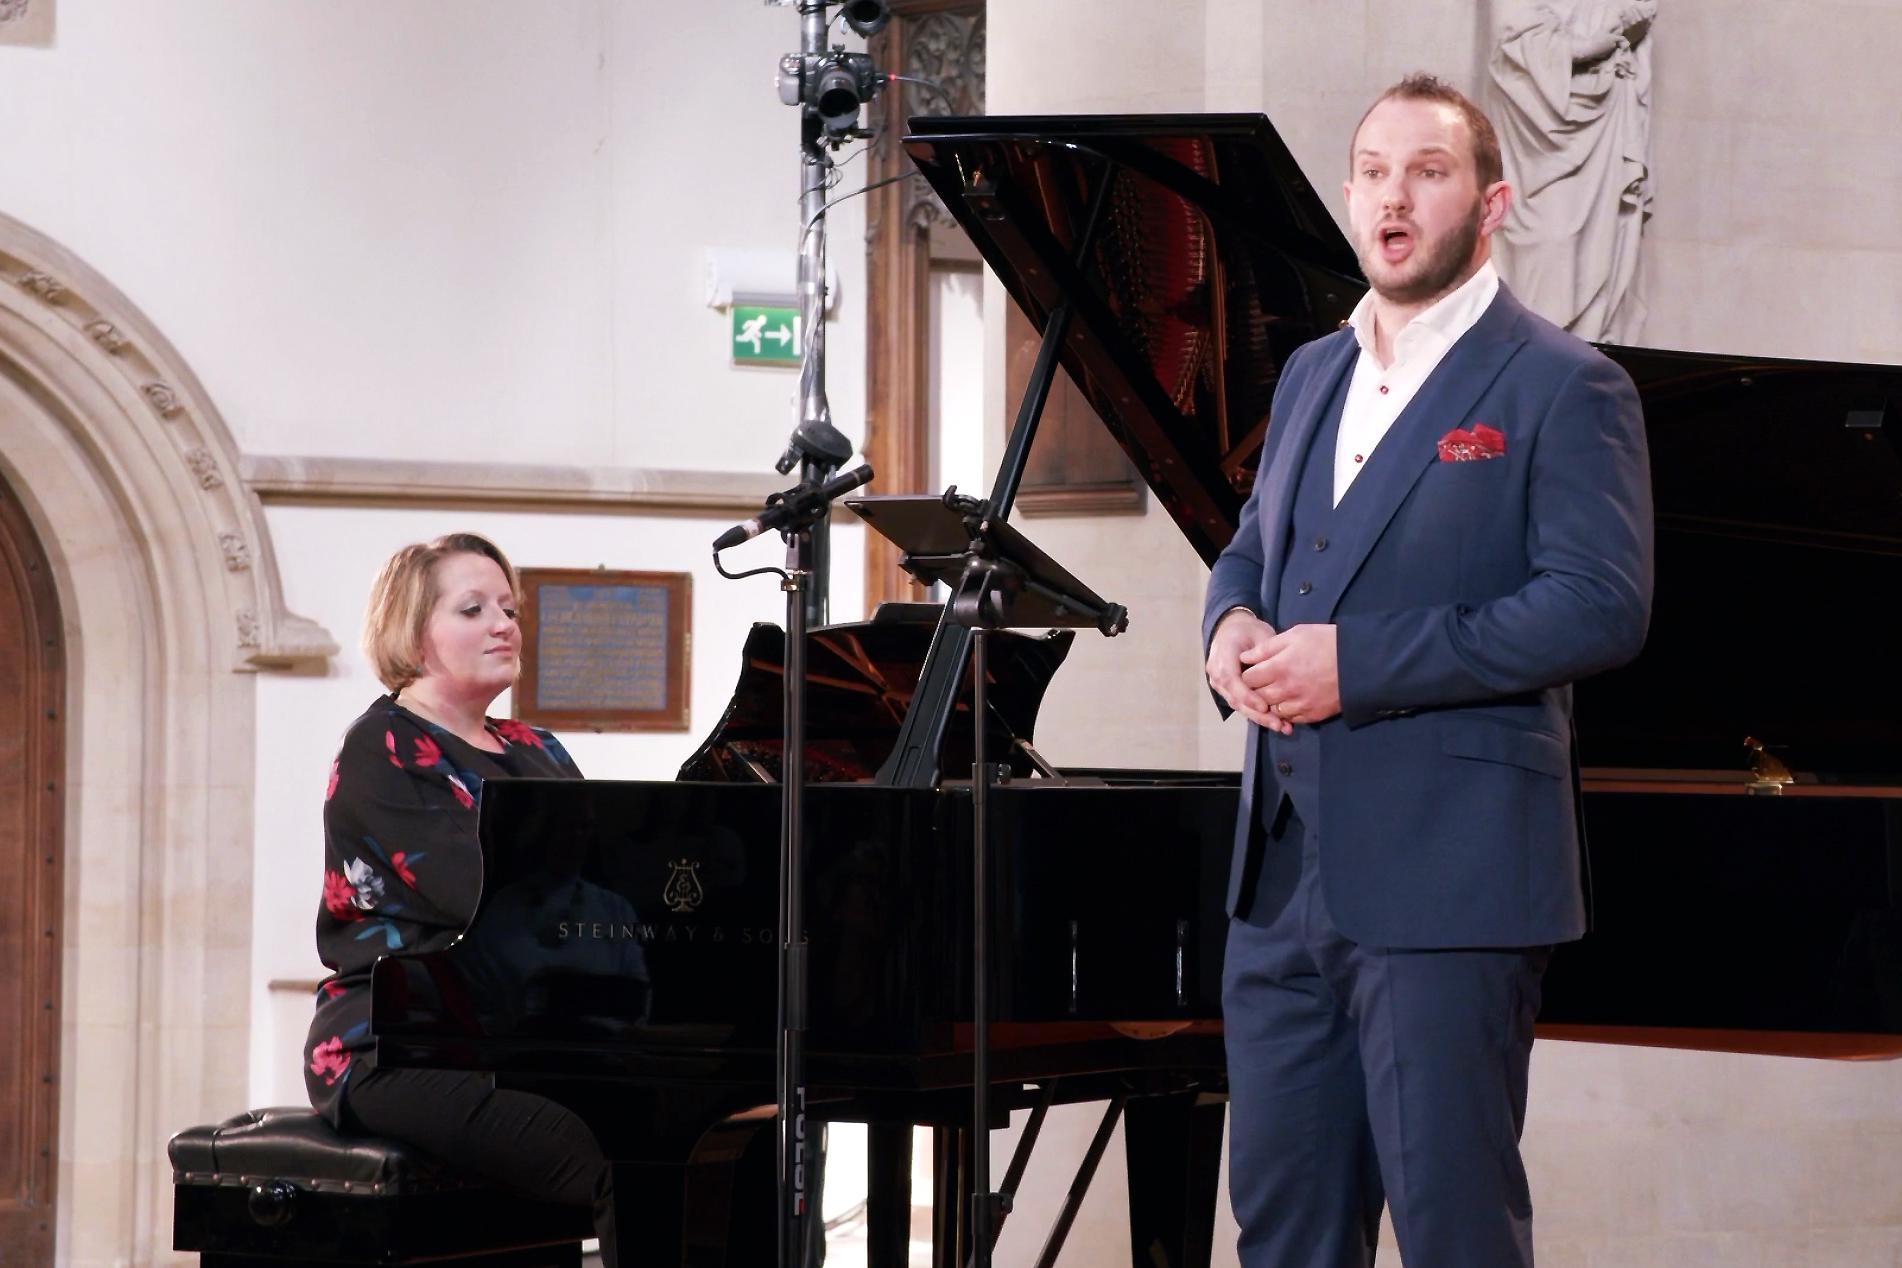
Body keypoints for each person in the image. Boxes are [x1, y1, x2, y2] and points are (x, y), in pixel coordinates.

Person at [1202, 74, 1653, 1267]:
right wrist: (1228, 623)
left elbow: (1599, 607)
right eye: (1374, 170)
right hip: (1280, 883)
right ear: (1349, 196)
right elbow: (1251, 543)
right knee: (1285, 1234)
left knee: (1456, 1237)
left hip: (1454, 882)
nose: (1394, 195)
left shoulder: (1565, 384)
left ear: (1491, 201)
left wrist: (1359, 663)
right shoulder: (1308, 372)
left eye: (1429, 170)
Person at [302, 532, 617, 1264]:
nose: (504, 623)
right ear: (413, 633)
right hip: (395, 1045)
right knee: (620, 1158)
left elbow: (604, 884)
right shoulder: (382, 748)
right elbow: (483, 896)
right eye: (474, 609)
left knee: (731, 1143)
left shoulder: (537, 748)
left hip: (520, 1039)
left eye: (509, 608)